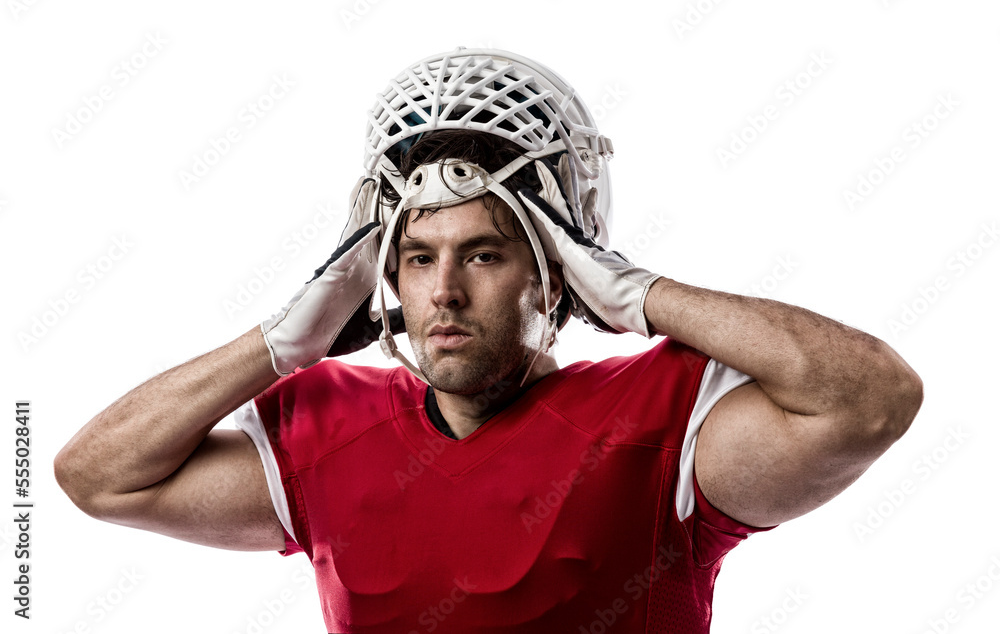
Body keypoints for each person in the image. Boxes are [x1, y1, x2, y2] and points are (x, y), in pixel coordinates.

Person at [54, 48, 923, 633]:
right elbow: (95, 475)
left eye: (483, 253)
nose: (444, 290)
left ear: (551, 272)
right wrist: (281, 343)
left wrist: (638, 293)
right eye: (417, 255)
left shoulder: (657, 420)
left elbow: (872, 398)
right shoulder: (326, 424)